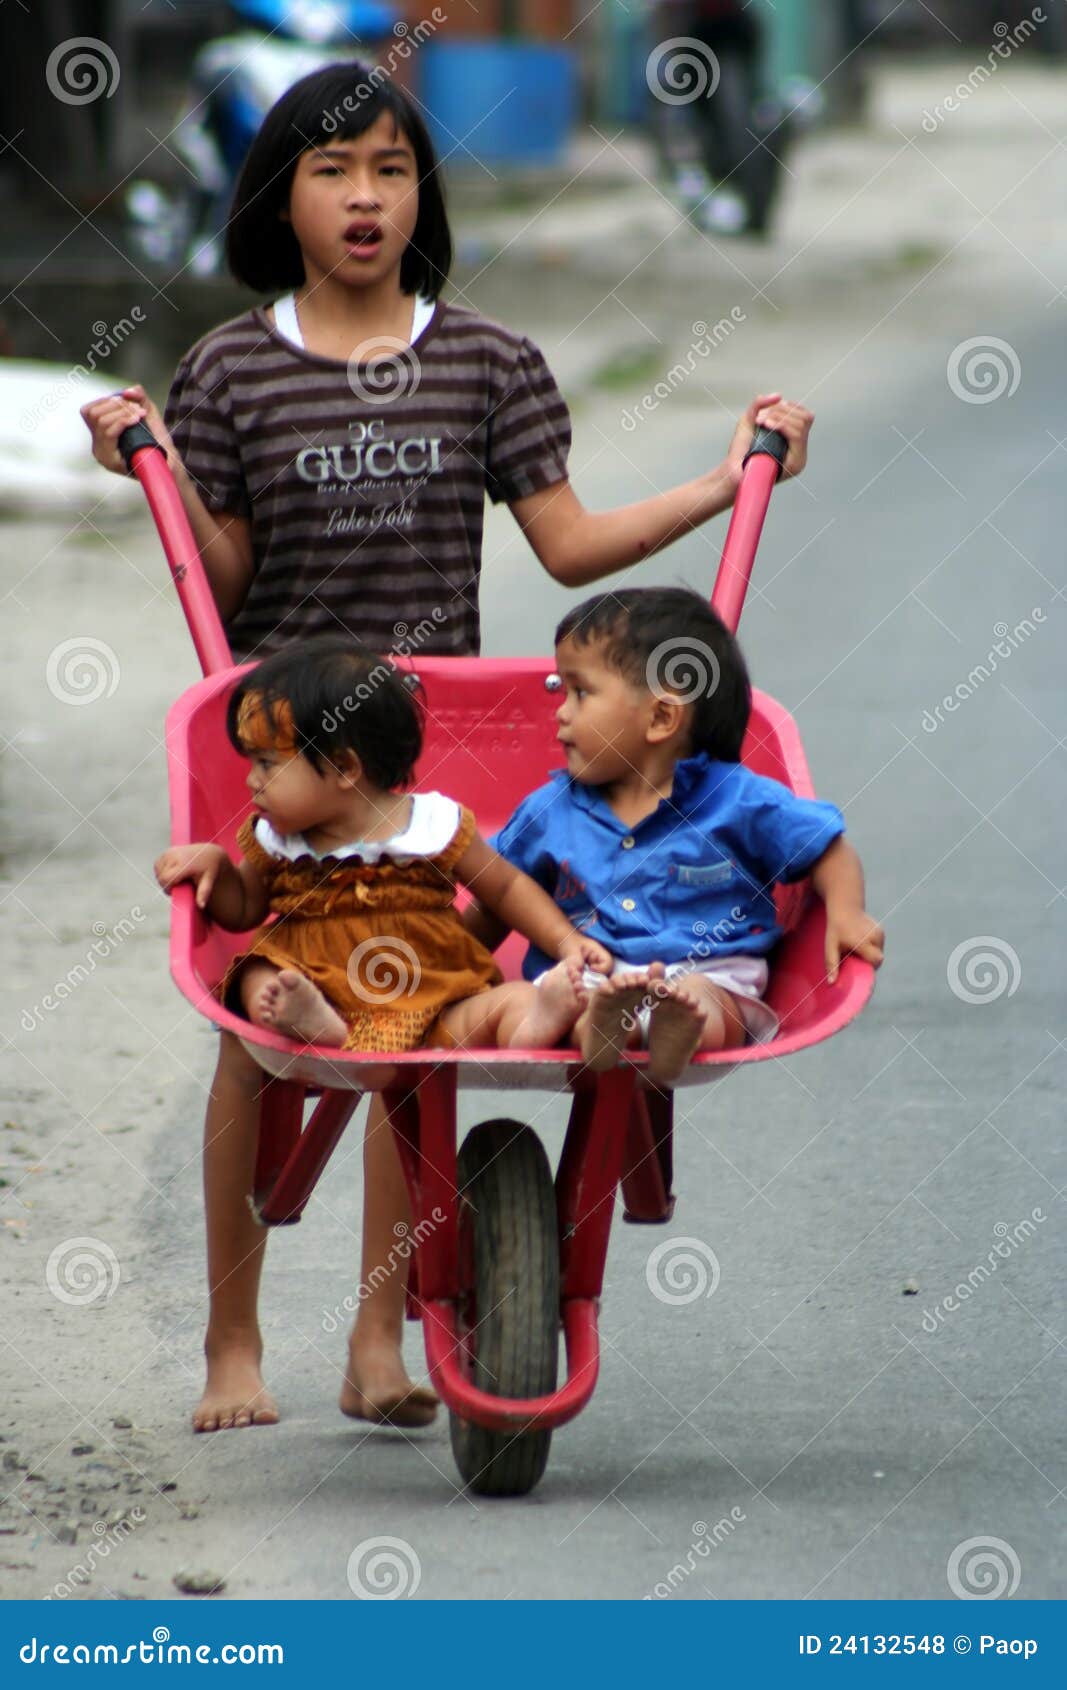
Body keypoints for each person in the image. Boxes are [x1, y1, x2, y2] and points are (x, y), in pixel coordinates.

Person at [80, 60, 814, 1434]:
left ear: (422, 191)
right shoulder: (230, 365)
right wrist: (160, 468)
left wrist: (729, 481)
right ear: (277, 194)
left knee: (405, 1034)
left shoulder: (485, 359)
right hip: (298, 763)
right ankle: (230, 1337)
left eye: (390, 169)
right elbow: (223, 581)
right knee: (255, 1039)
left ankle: (376, 1336)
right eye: (329, 170)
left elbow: (569, 542)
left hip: (410, 771)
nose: (364, 198)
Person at [468, 588, 885, 1087]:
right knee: (569, 997)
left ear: (662, 717)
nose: (560, 712)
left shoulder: (739, 800)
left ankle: (666, 1032)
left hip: (708, 972)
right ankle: (602, 1025)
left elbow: (827, 847)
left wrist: (845, 911)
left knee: (703, 1003)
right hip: (591, 975)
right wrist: (454, 959)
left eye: (580, 692)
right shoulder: (551, 810)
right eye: (562, 691)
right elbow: (500, 895)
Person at [154, 638, 609, 1056]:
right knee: (256, 977)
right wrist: (215, 865)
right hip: (313, 986)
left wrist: (565, 941)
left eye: (266, 763)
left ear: (345, 767)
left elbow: (507, 889)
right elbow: (244, 909)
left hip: (432, 997)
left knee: (506, 1002)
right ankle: (317, 1025)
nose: (251, 781)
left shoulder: (433, 826)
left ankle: (534, 1021)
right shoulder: (278, 839)